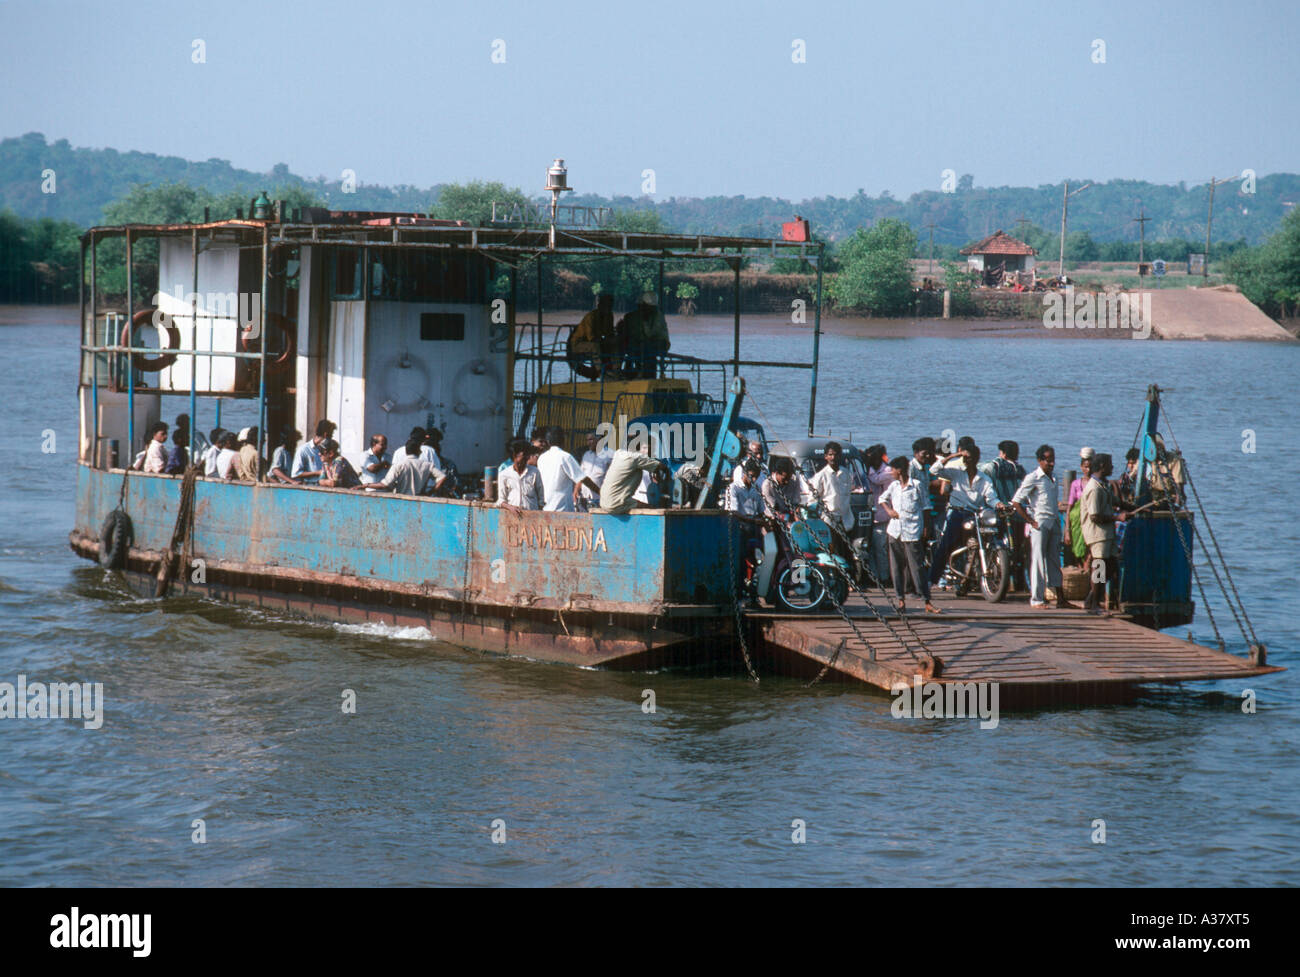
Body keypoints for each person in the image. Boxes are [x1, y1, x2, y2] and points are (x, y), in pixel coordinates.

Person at [1011, 444, 1076, 610]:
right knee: (1038, 561)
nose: (1052, 463)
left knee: (1054, 561)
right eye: (1048, 460)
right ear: (1040, 461)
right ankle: (1037, 599)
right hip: (1040, 523)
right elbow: (1017, 501)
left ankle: (1060, 599)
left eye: (1053, 460)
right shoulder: (1033, 477)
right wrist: (1030, 521)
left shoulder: (1053, 477)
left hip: (1053, 521)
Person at [928, 444, 1002, 587]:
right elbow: (934, 470)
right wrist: (952, 456)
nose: (967, 461)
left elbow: (991, 498)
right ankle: (932, 579)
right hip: (957, 512)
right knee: (945, 546)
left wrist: (999, 504)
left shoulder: (984, 479)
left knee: (988, 538)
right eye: (965, 458)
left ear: (977, 459)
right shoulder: (956, 472)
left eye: (970, 458)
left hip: (975, 514)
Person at [880, 456, 940, 614]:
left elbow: (926, 507)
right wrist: (889, 511)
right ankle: (900, 600)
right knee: (896, 567)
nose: (891, 472)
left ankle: (927, 601)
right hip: (894, 531)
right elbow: (882, 499)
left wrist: (926, 527)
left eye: (893, 469)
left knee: (917, 568)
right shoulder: (893, 486)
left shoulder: (917, 486)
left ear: (899, 470)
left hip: (912, 531)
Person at [1081, 452, 1126, 612]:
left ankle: (1091, 599)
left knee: (1111, 566)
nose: (1112, 467)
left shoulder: (1103, 485)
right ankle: (1093, 604)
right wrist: (1117, 518)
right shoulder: (1094, 489)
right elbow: (1095, 516)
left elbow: (1117, 502)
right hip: (1098, 535)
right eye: (1110, 464)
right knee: (1099, 568)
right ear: (1102, 466)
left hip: (1106, 535)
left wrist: (1130, 507)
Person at [536, 428, 600, 512]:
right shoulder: (565, 457)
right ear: (563, 440)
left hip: (546, 507)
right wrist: (600, 492)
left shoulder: (542, 458)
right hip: (562, 508)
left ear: (548, 442)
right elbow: (583, 478)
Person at [811, 441, 854, 559]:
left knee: (847, 553)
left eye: (835, 454)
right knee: (833, 553)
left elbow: (849, 493)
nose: (833, 457)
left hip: (846, 520)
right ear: (825, 456)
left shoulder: (846, 474)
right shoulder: (821, 476)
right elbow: (813, 500)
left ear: (840, 456)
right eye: (830, 455)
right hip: (829, 521)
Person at [364, 436, 447, 495]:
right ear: (418, 451)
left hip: (402, 500)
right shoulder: (427, 465)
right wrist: (431, 492)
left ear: (406, 451)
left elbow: (385, 484)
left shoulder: (398, 465)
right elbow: (442, 477)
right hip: (420, 501)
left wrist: (365, 485)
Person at [599, 445, 666, 514]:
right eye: (649, 449)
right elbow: (662, 467)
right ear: (639, 448)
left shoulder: (619, 454)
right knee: (651, 508)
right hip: (616, 504)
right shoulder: (636, 457)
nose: (651, 452)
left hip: (604, 502)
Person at [865, 444, 895, 585]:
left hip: (883, 515)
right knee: (870, 548)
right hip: (872, 515)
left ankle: (884, 577)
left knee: (881, 548)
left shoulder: (888, 471)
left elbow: (876, 480)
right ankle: (874, 576)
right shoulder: (873, 471)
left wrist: (867, 467)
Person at [567, 294, 616, 379]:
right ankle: (600, 372)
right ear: (600, 305)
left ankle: (615, 370)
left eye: (610, 305)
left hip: (594, 342)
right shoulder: (591, 317)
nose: (608, 308)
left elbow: (609, 333)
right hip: (578, 344)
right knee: (594, 346)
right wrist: (605, 342)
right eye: (606, 305)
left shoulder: (609, 316)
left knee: (615, 344)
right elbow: (592, 338)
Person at [1063, 446, 1094, 568]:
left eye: (1090, 467)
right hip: (1077, 525)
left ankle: (1096, 583)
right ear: (1081, 467)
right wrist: (1067, 531)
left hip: (1091, 525)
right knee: (1079, 554)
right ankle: (1084, 580)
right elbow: (1070, 508)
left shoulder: (1097, 484)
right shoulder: (1076, 484)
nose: (1088, 469)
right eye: (1086, 467)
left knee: (1092, 556)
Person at [497, 440, 543, 509]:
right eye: (523, 457)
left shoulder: (535, 472)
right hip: (512, 517)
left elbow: (541, 497)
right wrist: (510, 507)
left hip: (532, 516)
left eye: (527, 458)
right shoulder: (504, 475)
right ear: (514, 456)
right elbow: (501, 500)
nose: (526, 460)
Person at [579, 431, 613, 510]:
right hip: (585, 499)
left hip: (601, 500)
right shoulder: (586, 455)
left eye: (591, 440)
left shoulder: (610, 455)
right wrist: (576, 491)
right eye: (587, 440)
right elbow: (580, 475)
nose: (588, 443)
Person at [761, 456, 801, 520]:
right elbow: (775, 508)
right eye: (784, 479)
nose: (787, 481)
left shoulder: (794, 481)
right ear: (777, 473)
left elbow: (796, 504)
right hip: (773, 518)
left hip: (791, 515)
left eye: (789, 478)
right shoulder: (767, 485)